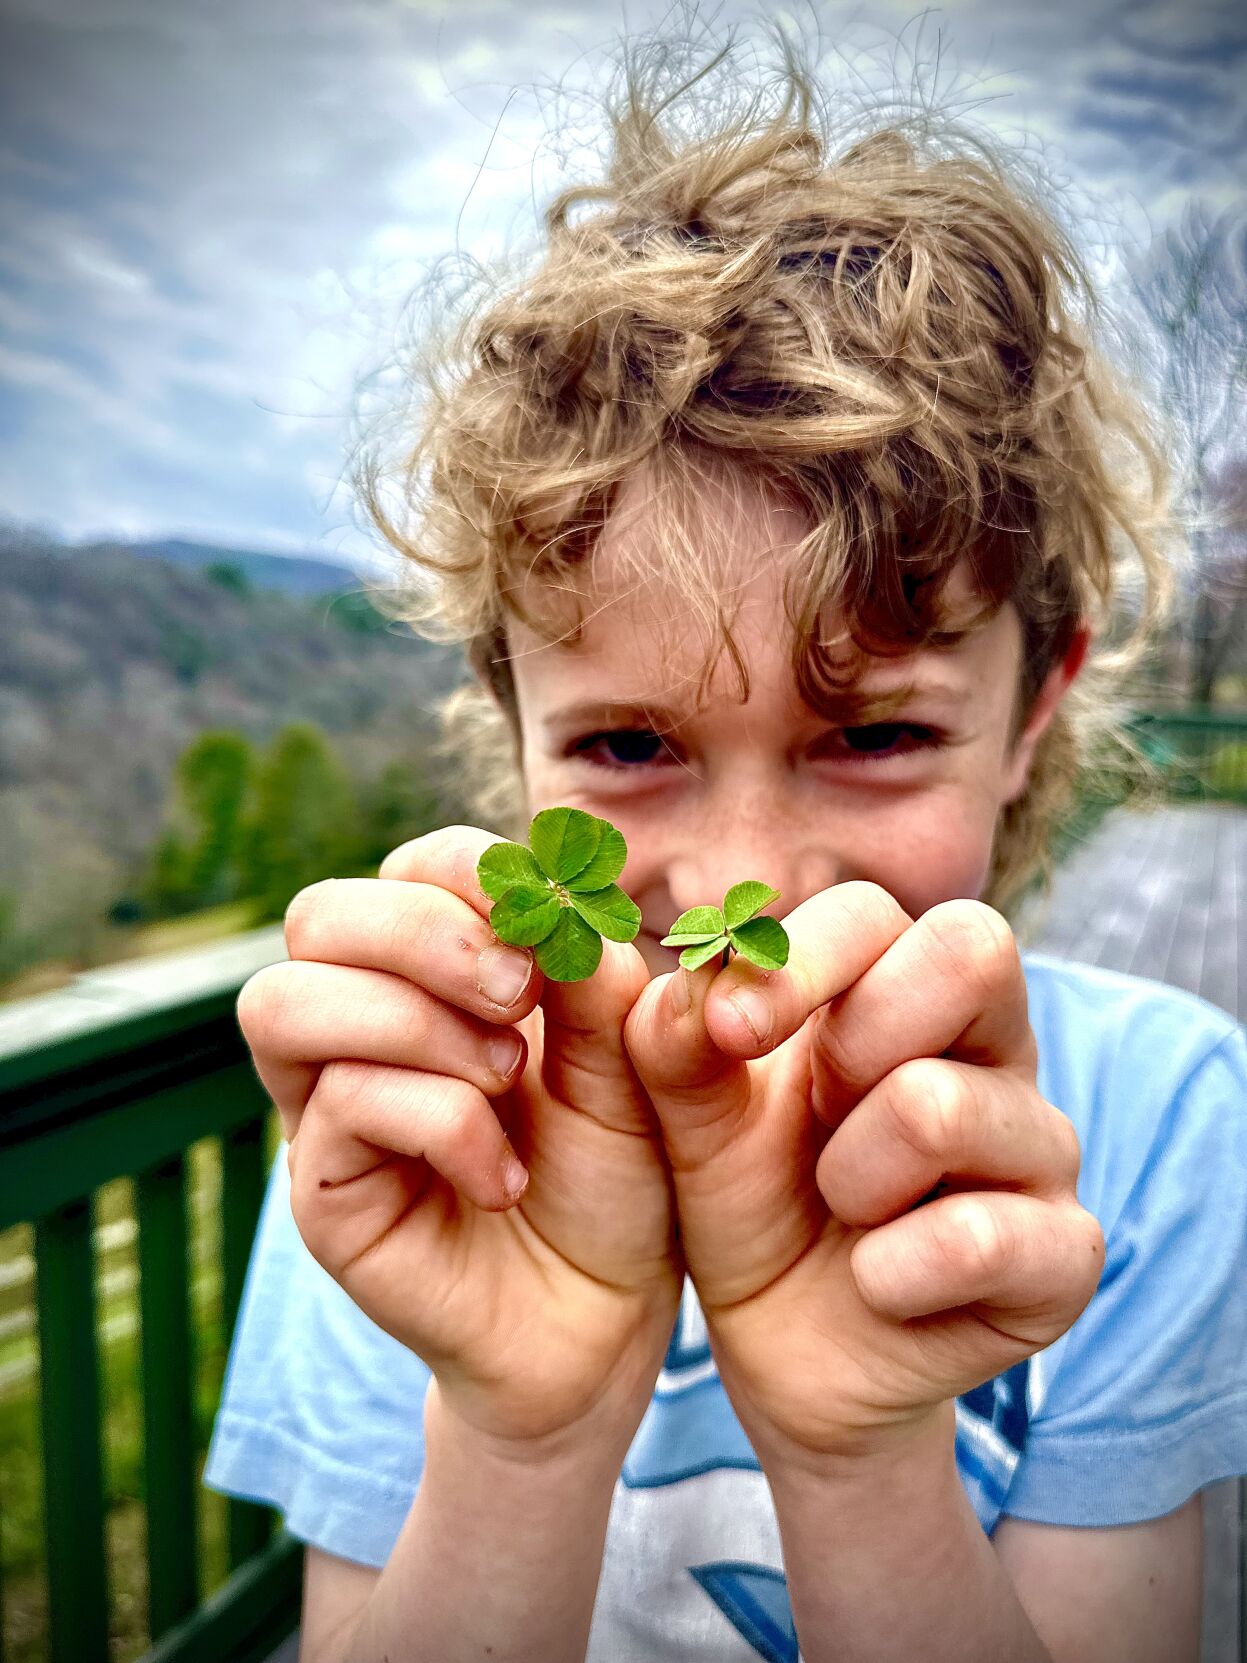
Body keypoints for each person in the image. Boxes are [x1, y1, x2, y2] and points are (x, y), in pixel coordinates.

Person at [203, 23, 1247, 1663]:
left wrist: (860, 1451)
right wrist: (520, 1437)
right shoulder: (423, 1143)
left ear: (1040, 693)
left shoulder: (1170, 1124)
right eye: (629, 747)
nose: (739, 877)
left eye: (878, 735)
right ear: (513, 714)